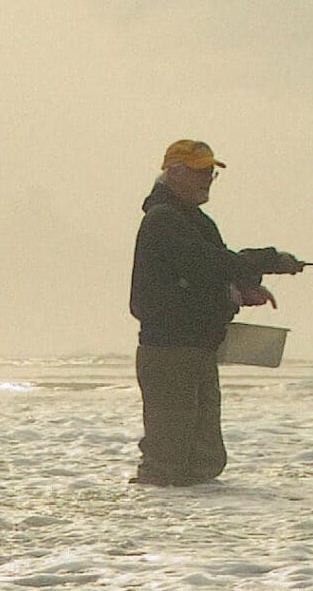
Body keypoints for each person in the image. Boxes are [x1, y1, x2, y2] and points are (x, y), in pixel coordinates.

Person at [129, 139, 302, 485]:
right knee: (168, 459)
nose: (206, 178)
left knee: (205, 456)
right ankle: (153, 530)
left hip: (198, 347)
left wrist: (238, 292)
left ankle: (196, 532)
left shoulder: (196, 222)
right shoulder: (163, 220)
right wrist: (267, 261)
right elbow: (209, 263)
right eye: (198, 172)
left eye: (210, 172)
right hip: (169, 350)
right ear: (173, 173)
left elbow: (207, 275)